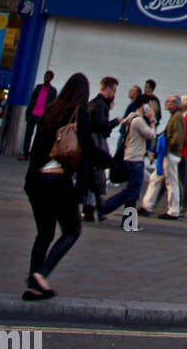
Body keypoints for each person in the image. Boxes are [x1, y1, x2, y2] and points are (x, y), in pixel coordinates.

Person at [23, 72, 100, 299]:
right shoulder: (79, 114)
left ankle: (32, 285)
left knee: (44, 233)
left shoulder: (52, 110)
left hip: (35, 180)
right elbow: (87, 148)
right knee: (72, 230)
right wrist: (107, 161)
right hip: (57, 180)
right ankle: (41, 275)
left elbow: (35, 149)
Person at [100, 101, 156, 219]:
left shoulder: (131, 118)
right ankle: (103, 208)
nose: (151, 110)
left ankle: (129, 221)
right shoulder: (139, 121)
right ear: (143, 106)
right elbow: (151, 135)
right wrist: (152, 120)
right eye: (149, 107)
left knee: (133, 191)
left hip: (131, 156)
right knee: (132, 191)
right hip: (135, 159)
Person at [139, 95, 184, 219]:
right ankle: (147, 206)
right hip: (168, 154)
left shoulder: (178, 117)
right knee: (156, 178)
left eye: (169, 102)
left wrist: (168, 147)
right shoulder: (175, 116)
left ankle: (173, 211)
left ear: (175, 104)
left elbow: (178, 137)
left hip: (170, 154)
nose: (166, 103)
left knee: (171, 182)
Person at [83, 77, 119, 222]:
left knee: (94, 176)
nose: (115, 94)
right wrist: (116, 122)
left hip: (92, 143)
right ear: (108, 88)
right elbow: (101, 126)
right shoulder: (100, 105)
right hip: (96, 144)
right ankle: (93, 208)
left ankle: (94, 207)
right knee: (96, 175)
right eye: (114, 90)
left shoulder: (94, 103)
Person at [20, 71, 56, 160]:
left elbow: (52, 105)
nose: (46, 78)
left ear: (51, 79)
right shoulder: (38, 88)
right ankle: (25, 153)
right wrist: (28, 113)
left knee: (38, 137)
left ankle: (34, 154)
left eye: (48, 77)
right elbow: (32, 100)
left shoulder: (52, 91)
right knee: (28, 135)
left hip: (42, 117)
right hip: (33, 114)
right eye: (45, 76)